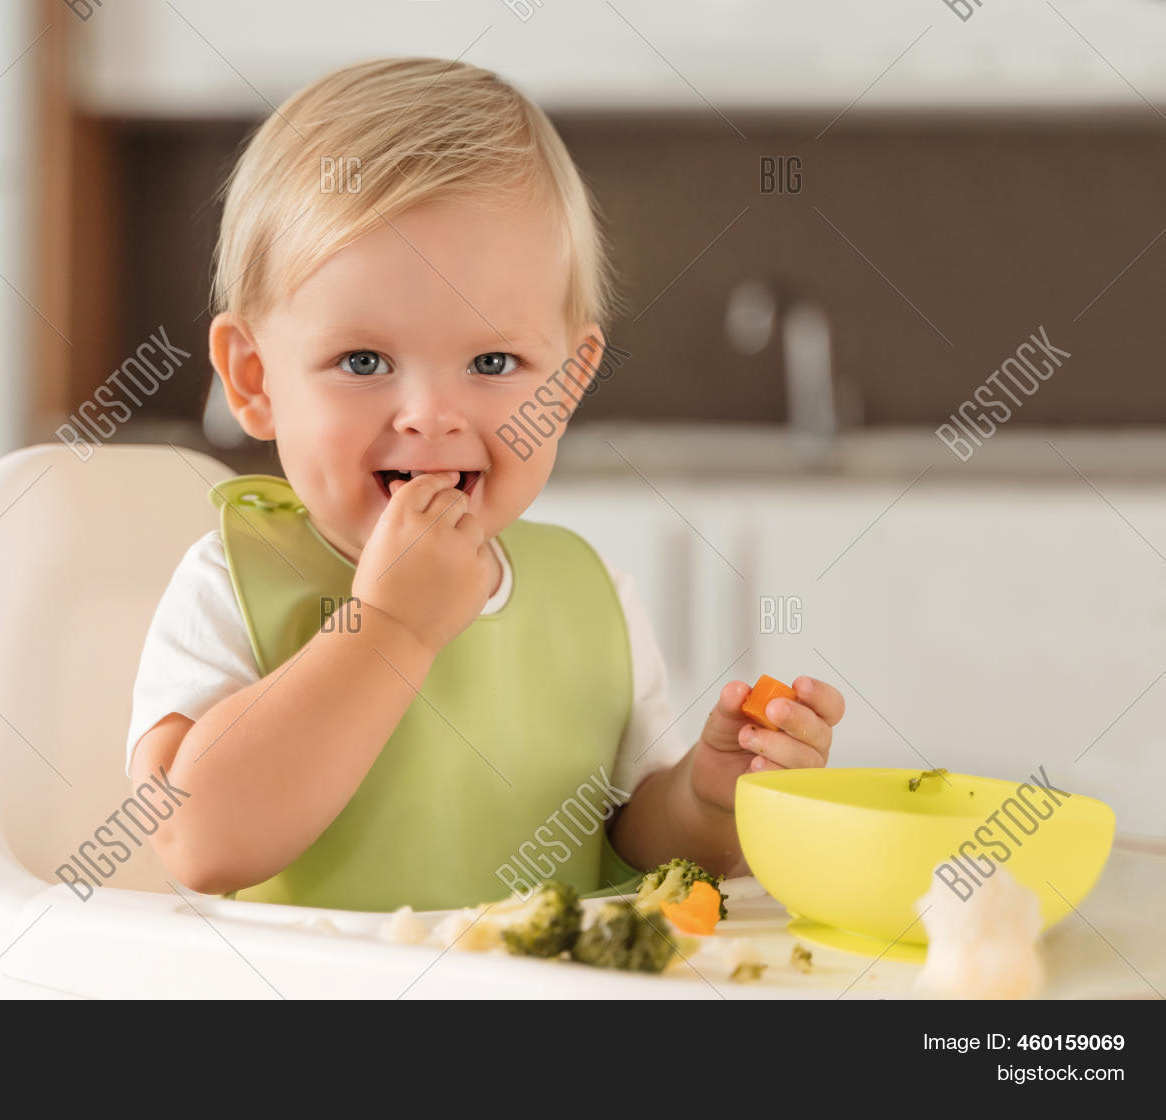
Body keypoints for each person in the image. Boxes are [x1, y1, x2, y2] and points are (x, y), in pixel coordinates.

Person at [126, 57, 844, 912]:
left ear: (570, 382)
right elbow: (193, 840)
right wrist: (389, 630)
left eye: (494, 361)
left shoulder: (591, 598)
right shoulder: (231, 586)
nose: (430, 414)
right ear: (253, 378)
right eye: (363, 361)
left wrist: (707, 802)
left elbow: (624, 845)